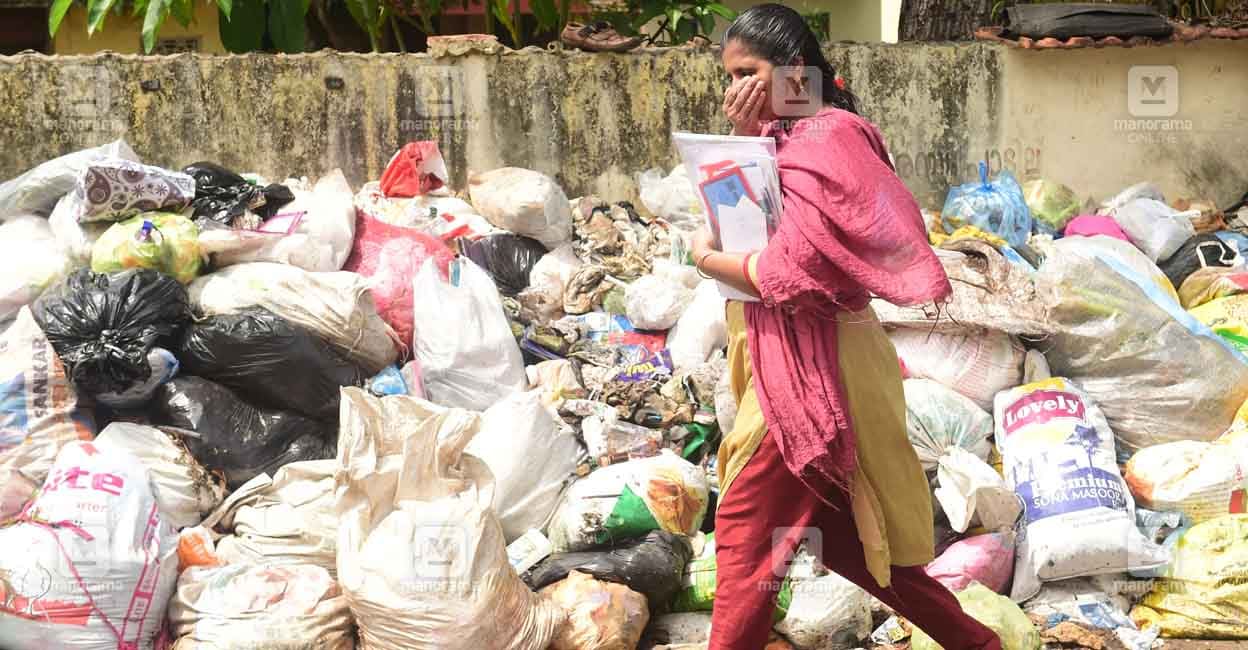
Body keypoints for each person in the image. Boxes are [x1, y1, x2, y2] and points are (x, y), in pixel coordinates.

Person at [691, 5, 1004, 649]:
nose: (735, 89)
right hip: (785, 358)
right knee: (854, 546)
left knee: (746, 539)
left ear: (795, 73)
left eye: (748, 71)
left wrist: (706, 259)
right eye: (730, 76)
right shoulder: (777, 143)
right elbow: (750, 228)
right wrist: (746, 147)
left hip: (818, 370)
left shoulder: (828, 140)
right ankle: (980, 644)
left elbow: (796, 270)